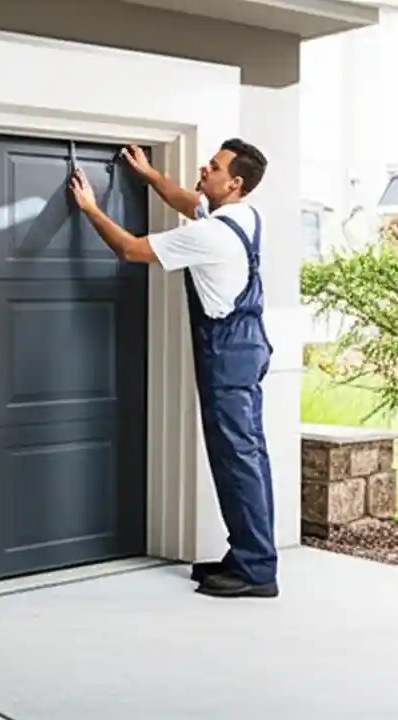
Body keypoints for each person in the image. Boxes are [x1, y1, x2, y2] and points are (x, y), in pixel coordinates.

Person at [68, 139, 278, 599]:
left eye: (215, 166)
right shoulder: (242, 215)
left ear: (235, 182)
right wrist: (150, 177)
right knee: (248, 457)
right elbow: (192, 202)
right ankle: (247, 552)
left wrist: (88, 207)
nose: (205, 168)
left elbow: (129, 249)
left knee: (236, 460)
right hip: (248, 347)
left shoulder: (212, 236)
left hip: (226, 356)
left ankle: (257, 570)